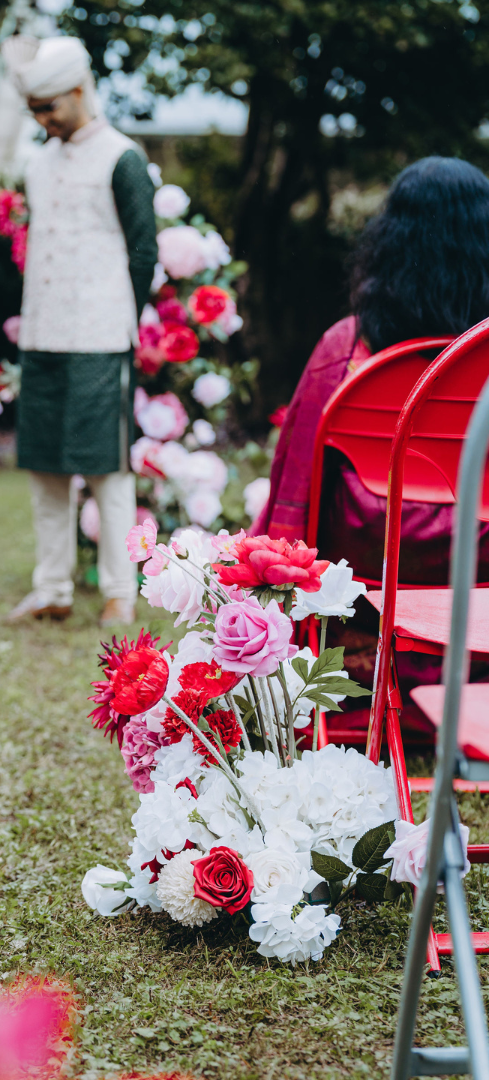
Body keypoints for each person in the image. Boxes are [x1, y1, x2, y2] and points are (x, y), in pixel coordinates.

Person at [254, 157, 489, 713]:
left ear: (389, 242)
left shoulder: (344, 349)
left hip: (365, 585)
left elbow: (294, 494)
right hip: (478, 580)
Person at [0, 35, 158, 627]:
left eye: (50, 107)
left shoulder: (122, 158)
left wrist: (119, 315)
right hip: (42, 335)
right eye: (34, 110)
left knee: (107, 470)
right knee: (44, 469)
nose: (43, 119)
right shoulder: (38, 164)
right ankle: (52, 588)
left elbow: (144, 251)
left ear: (80, 90)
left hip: (101, 338)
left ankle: (120, 592)